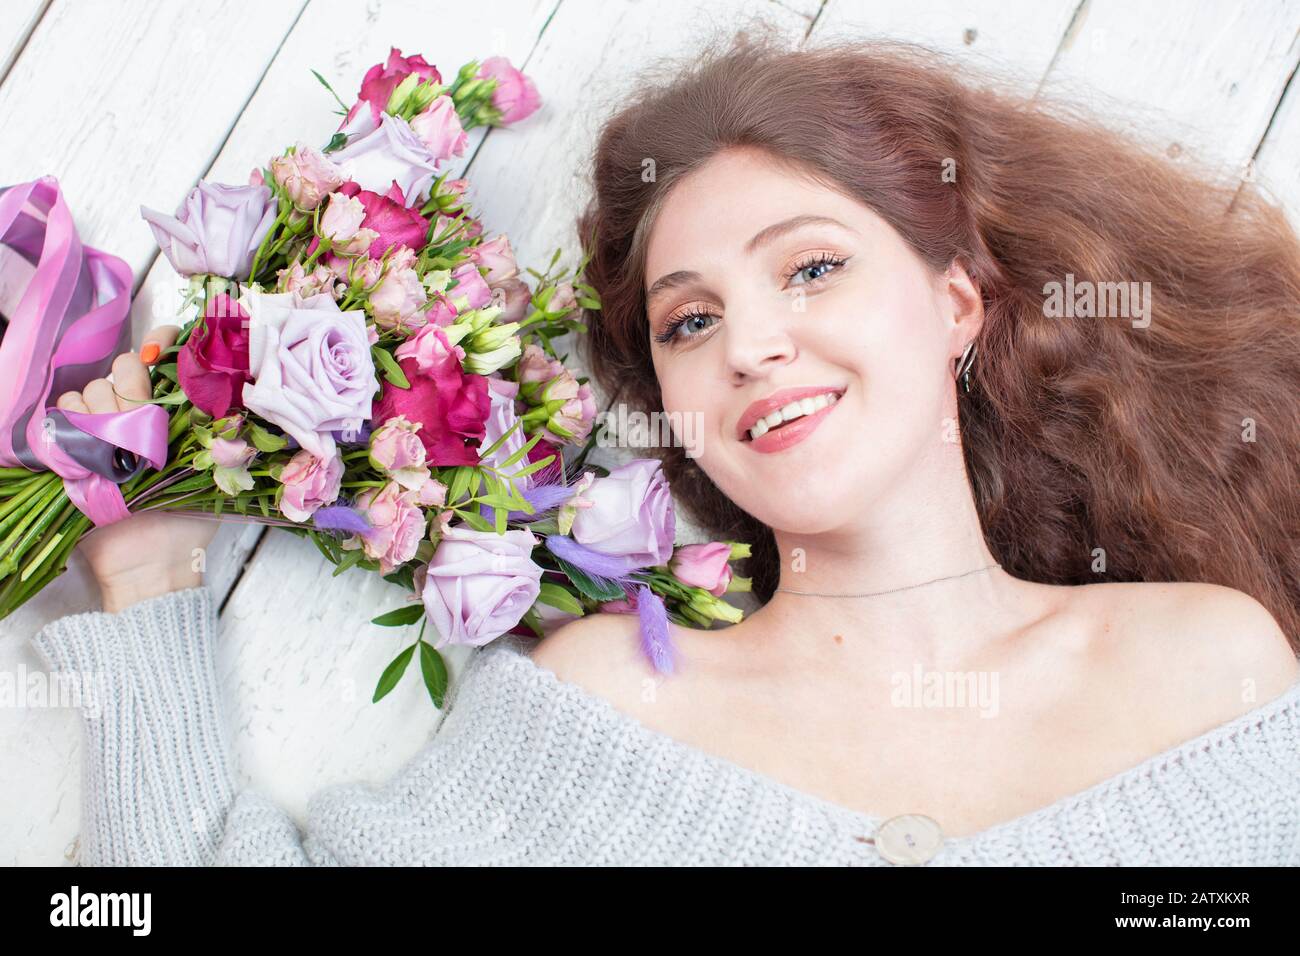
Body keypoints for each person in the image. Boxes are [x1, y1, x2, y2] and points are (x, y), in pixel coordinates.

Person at [30, 33, 1300, 867]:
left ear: (957, 303)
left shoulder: (1209, 669)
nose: (750, 345)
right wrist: (146, 580)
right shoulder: (612, 709)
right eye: (690, 319)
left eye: (811, 266)